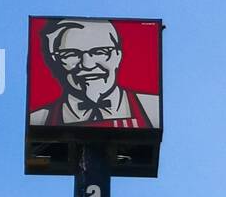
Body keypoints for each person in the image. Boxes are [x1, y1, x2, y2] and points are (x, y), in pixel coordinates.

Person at [29, 18, 160, 129]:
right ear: (56, 62)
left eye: (100, 52)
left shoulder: (152, 108)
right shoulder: (38, 119)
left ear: (118, 56)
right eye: (71, 54)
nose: (87, 64)